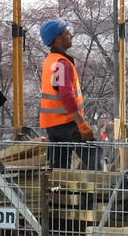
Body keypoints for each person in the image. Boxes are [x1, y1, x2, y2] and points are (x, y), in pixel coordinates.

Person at [38, 19, 98, 170]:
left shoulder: (50, 61)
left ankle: (58, 192)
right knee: (94, 156)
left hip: (52, 124)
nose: (71, 35)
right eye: (66, 33)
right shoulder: (62, 63)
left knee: (59, 167)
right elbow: (66, 95)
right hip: (67, 122)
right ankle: (100, 192)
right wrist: (81, 123)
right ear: (58, 39)